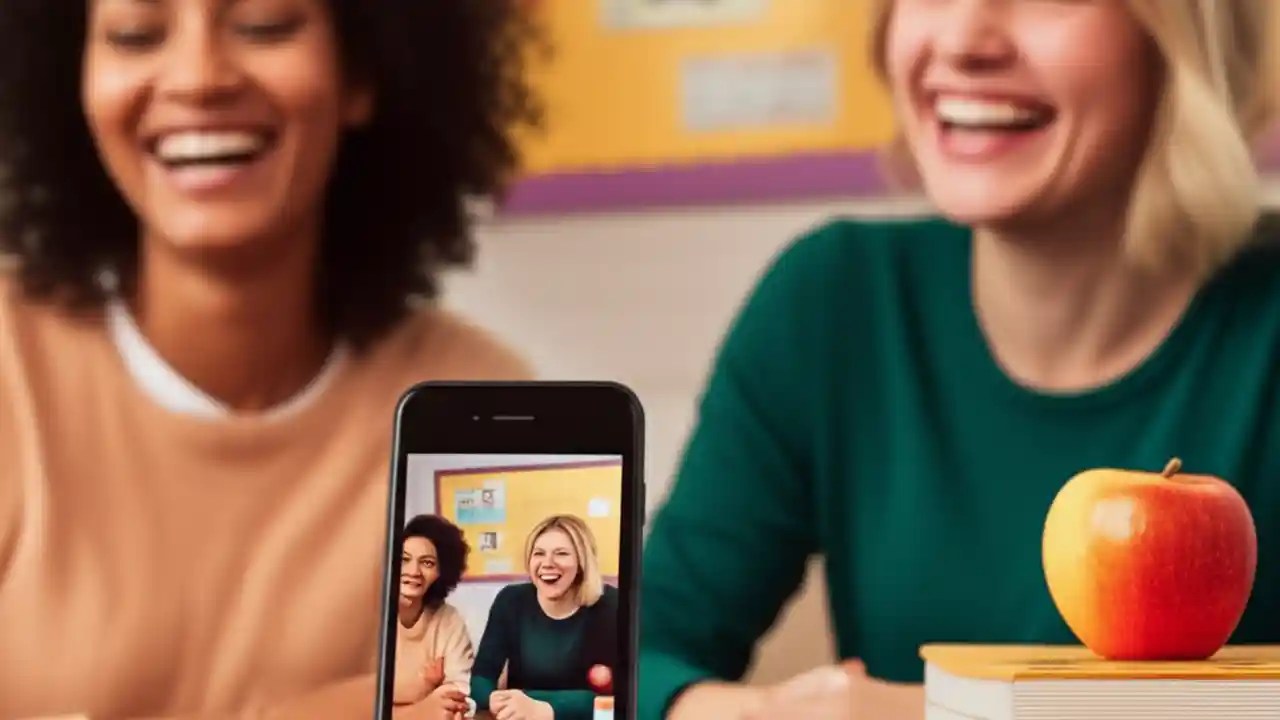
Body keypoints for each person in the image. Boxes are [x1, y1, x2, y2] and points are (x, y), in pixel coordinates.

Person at [638, 1, 1280, 719]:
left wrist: (941, 713)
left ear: (1188, 41)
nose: (965, 39)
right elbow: (618, 661)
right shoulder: (832, 303)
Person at [0, 1, 539, 718]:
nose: (198, 77)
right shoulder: (13, 364)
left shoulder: (481, 413)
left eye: (264, 24)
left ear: (363, 71)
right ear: (73, 80)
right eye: (135, 34)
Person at [472, 515, 618, 720]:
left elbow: (617, 699)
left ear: (582, 562)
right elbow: (481, 677)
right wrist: (492, 698)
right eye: (539, 553)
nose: (547, 563)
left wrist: (547, 708)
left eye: (561, 553)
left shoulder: (611, 605)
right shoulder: (511, 600)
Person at [395, 515, 477, 708]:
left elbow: (461, 690)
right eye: (404, 560)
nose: (413, 571)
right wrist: (429, 691)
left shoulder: (449, 619)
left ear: (441, 572)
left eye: (427, 563)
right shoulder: (365, 615)